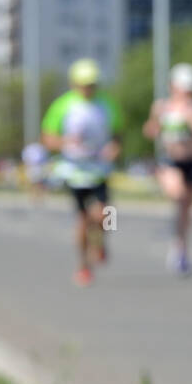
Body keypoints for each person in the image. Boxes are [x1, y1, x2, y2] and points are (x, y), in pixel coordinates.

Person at [42, 59, 122, 287]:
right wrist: (66, 141)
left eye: (92, 84)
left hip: (99, 170)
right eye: (84, 84)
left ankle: (101, 243)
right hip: (74, 171)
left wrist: (113, 149)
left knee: (105, 215)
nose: (88, 88)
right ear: (74, 84)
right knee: (82, 221)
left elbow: (117, 134)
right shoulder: (63, 105)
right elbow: (48, 138)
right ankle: (83, 266)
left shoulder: (107, 104)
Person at [143, 63, 192, 275]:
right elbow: (150, 130)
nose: (187, 92)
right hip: (170, 160)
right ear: (173, 86)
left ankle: (180, 248)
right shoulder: (161, 106)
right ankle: (175, 235)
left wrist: (189, 116)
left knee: (187, 210)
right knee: (178, 194)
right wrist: (159, 124)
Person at [21, 140, 50, 206]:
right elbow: (26, 157)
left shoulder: (41, 148)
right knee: (33, 184)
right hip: (32, 167)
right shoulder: (30, 148)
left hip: (39, 167)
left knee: (40, 183)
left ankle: (39, 197)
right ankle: (33, 198)